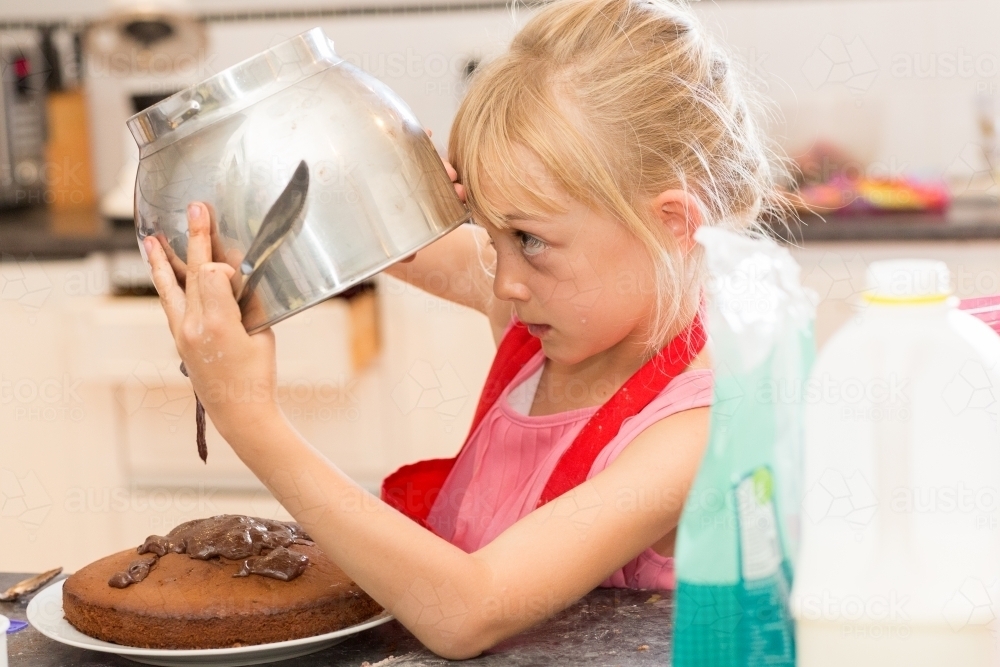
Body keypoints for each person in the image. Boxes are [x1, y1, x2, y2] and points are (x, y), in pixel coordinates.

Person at [143, 0, 784, 658]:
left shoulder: (692, 432)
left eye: (530, 238)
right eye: (488, 228)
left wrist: (248, 417)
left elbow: (467, 609)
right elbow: (376, 230)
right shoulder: (549, 314)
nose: (500, 277)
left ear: (673, 225)